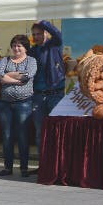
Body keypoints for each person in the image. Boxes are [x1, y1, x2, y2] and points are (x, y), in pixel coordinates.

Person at [0, 35, 37, 177]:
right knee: (7, 136)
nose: (16, 48)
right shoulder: (5, 60)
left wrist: (8, 76)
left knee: (23, 135)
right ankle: (8, 167)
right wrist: (14, 78)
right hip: (4, 103)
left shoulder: (31, 60)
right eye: (14, 45)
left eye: (19, 45)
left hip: (24, 103)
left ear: (26, 47)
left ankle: (24, 168)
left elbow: (27, 76)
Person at [29, 20, 65, 156]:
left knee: (57, 131)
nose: (36, 36)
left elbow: (58, 34)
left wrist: (44, 22)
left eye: (39, 33)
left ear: (46, 33)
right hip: (38, 96)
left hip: (55, 95)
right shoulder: (32, 51)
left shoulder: (54, 45)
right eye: (34, 34)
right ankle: (43, 165)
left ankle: (57, 166)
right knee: (40, 132)